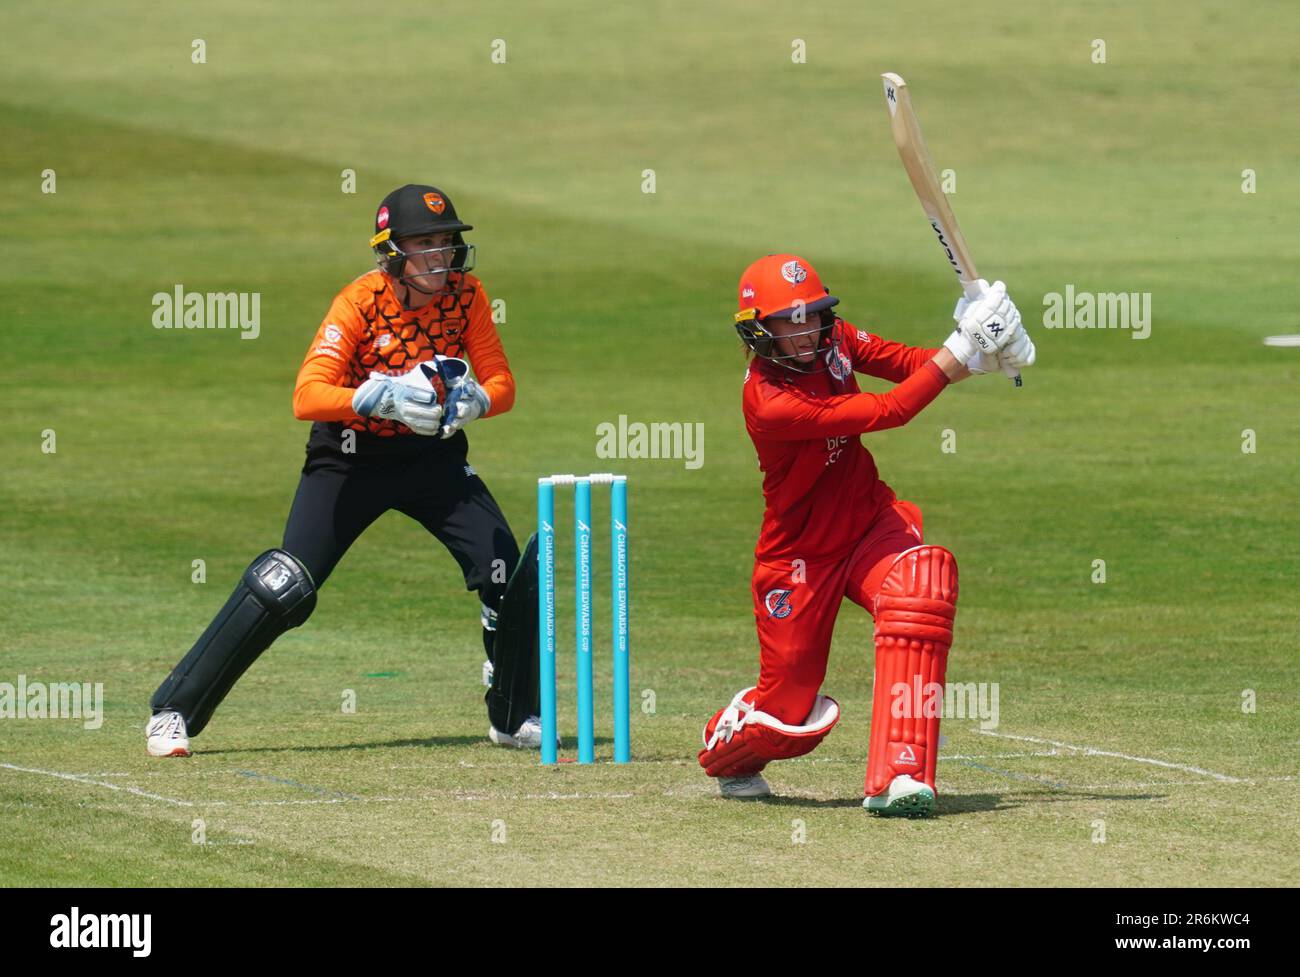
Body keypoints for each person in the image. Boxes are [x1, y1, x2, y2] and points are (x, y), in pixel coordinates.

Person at [146, 184, 544, 757]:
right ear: (391, 252)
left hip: (430, 457)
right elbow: (307, 396)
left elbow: (502, 382)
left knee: (503, 565)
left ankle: (512, 714)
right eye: (424, 244)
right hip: (348, 458)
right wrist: (377, 398)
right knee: (285, 586)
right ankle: (173, 712)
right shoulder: (359, 302)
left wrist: (474, 402)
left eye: (446, 243)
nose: (439, 256)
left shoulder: (468, 294)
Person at [696, 254, 1035, 815]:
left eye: (812, 316)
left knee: (919, 589)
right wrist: (965, 345)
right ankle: (731, 742)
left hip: (868, 521)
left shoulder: (836, 340)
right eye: (789, 321)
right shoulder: (769, 401)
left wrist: (981, 355)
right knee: (790, 717)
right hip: (800, 558)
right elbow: (891, 409)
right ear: (759, 329)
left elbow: (909, 365)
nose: (805, 330)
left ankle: (902, 775)